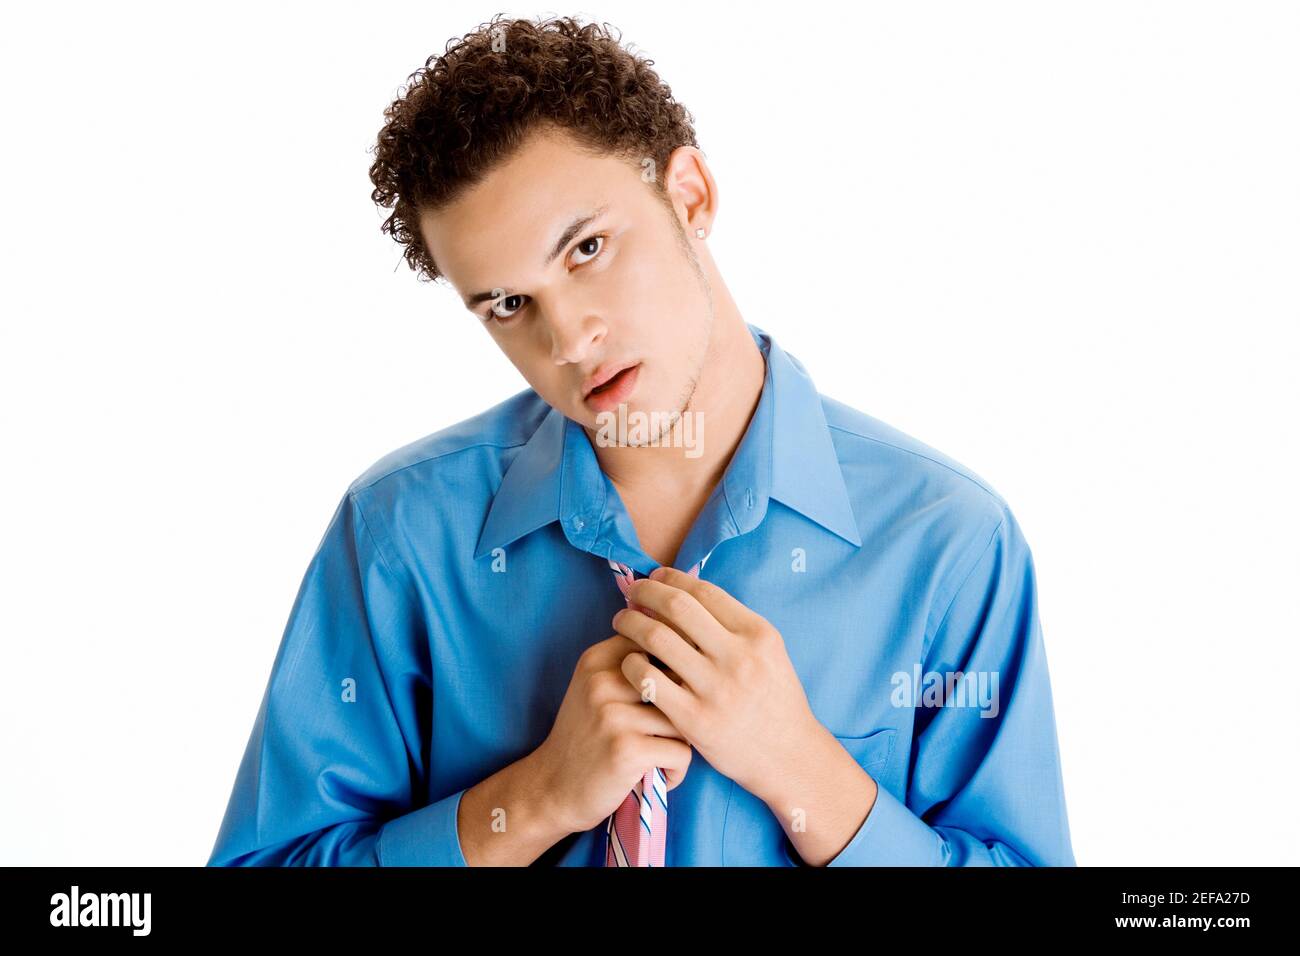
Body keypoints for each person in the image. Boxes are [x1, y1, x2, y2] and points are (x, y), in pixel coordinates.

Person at [208, 13, 1075, 867]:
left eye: (587, 248)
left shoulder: (948, 545)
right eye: (510, 305)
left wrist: (805, 771)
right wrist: (533, 800)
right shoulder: (400, 537)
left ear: (689, 195)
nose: (569, 339)